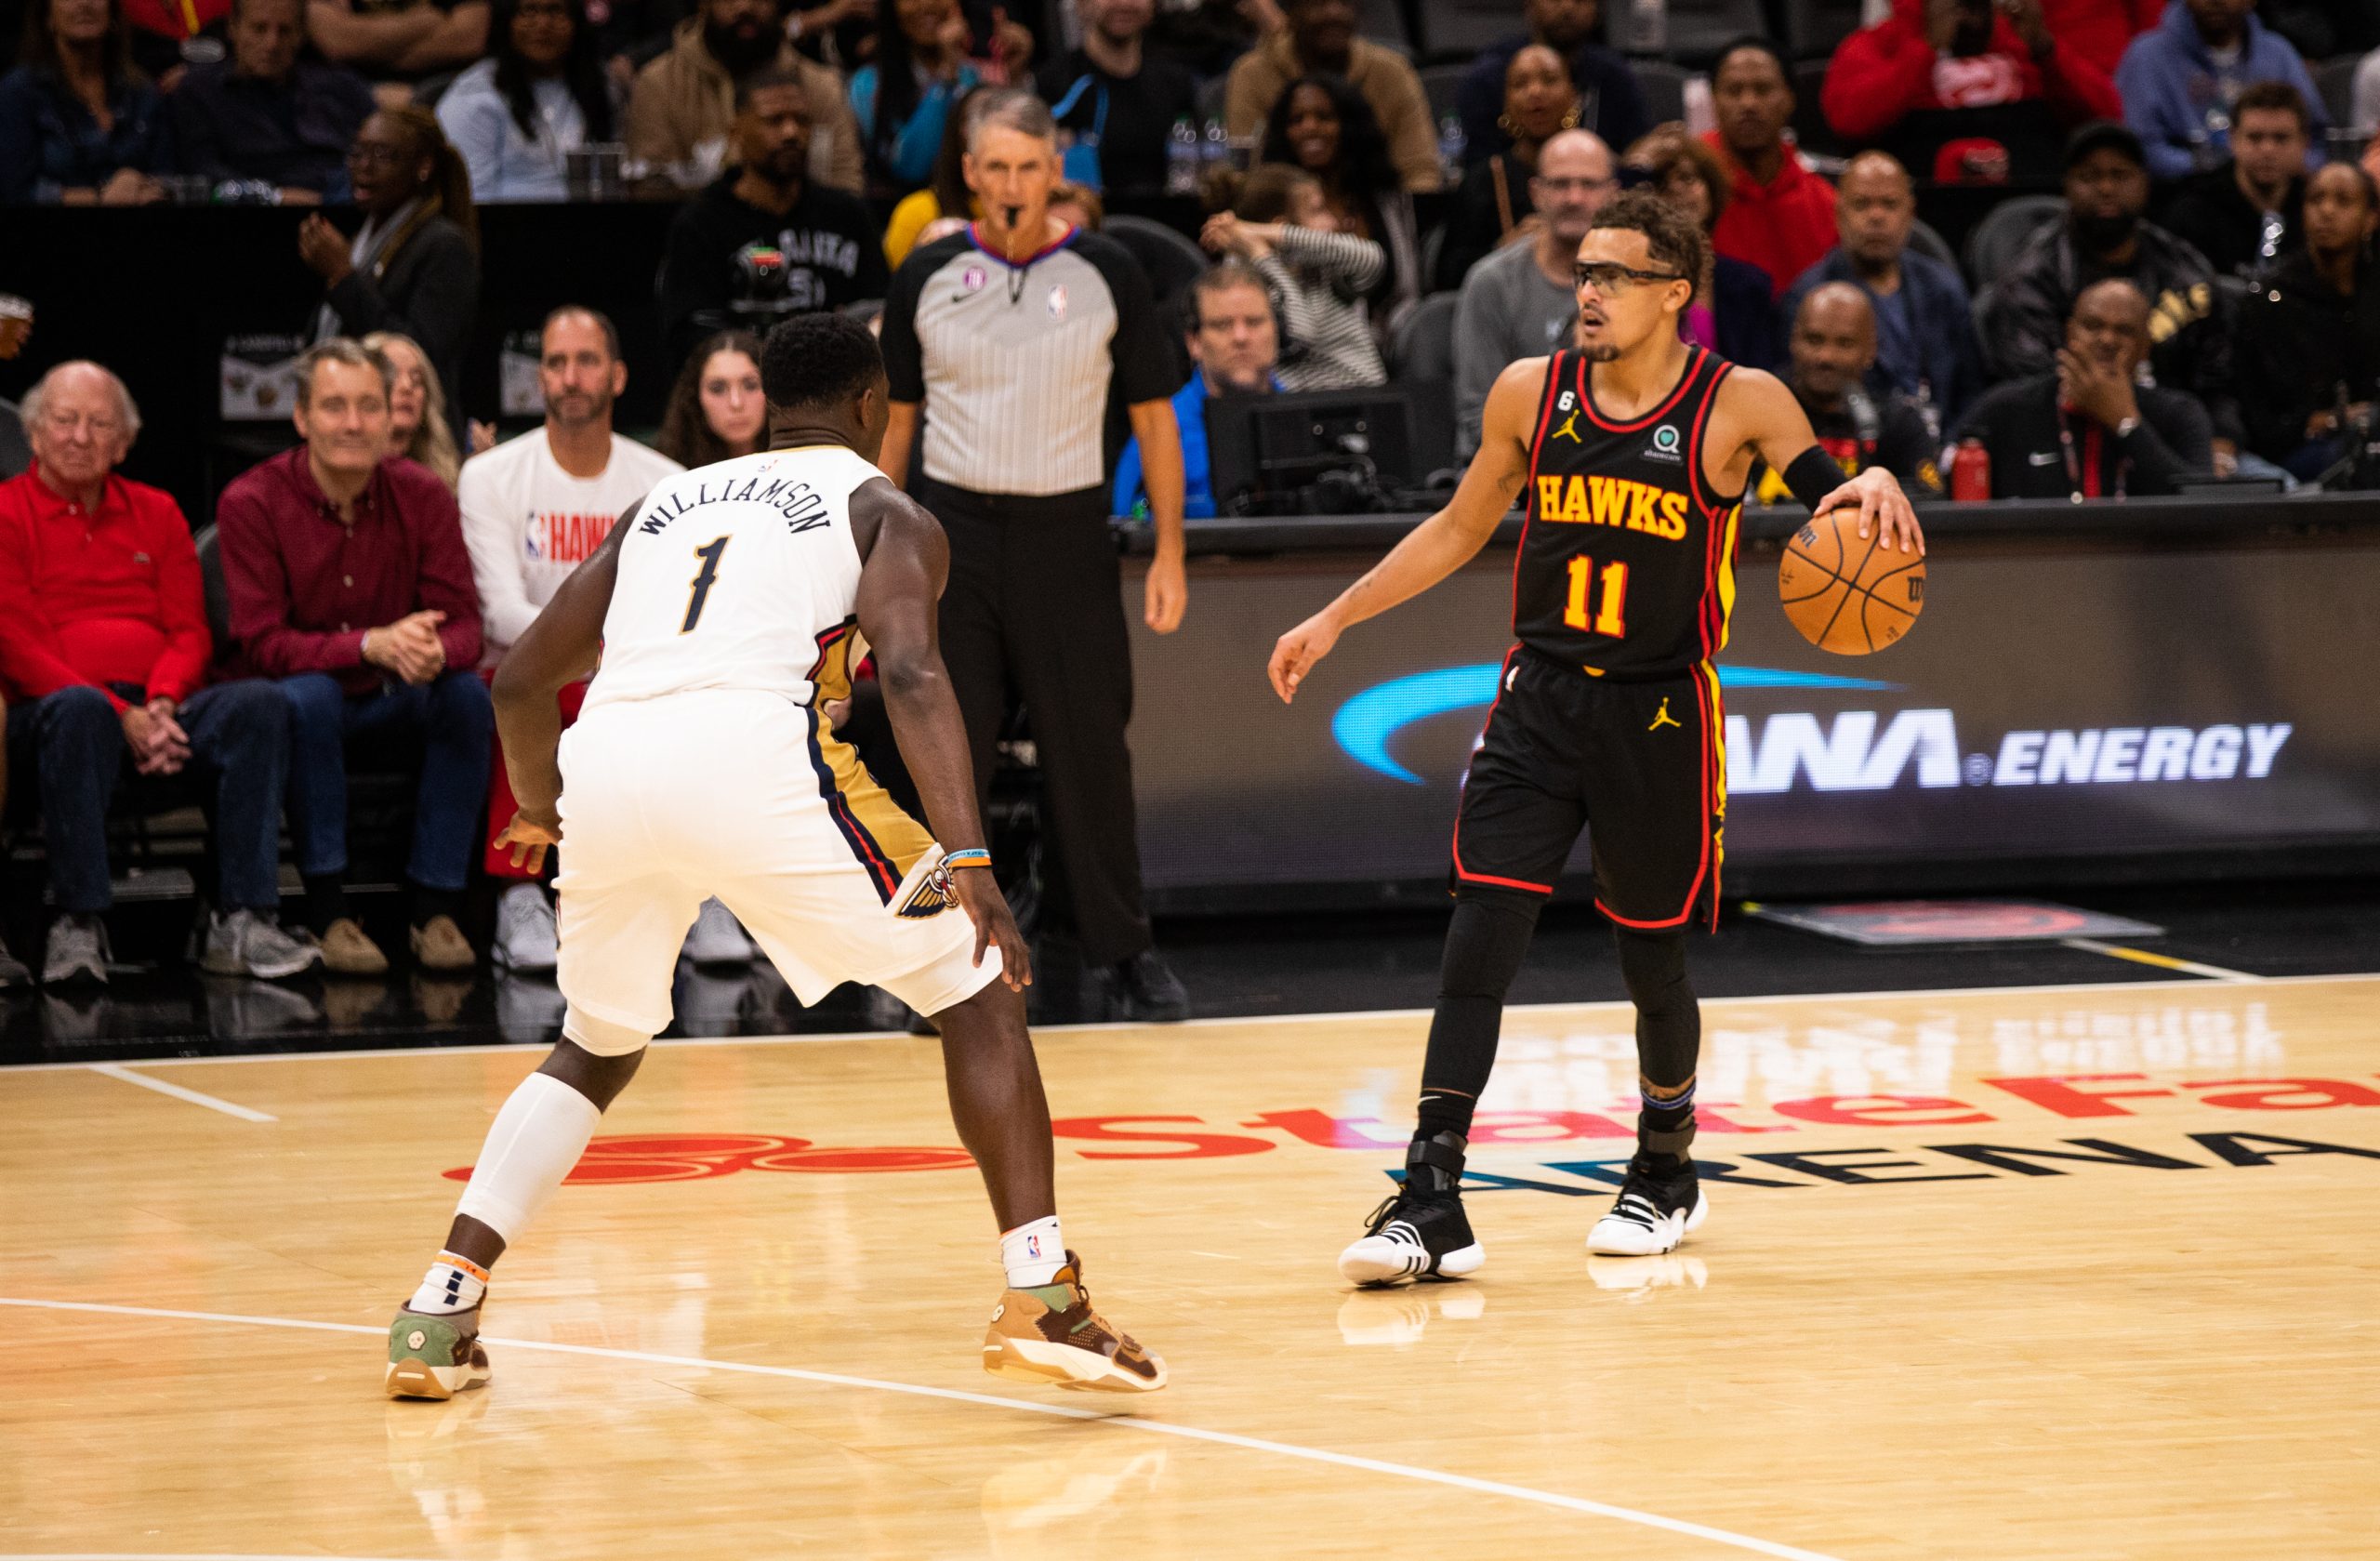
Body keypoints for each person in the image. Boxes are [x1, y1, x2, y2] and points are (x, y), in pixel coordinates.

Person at [382, 309, 1166, 1402]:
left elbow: (518, 680)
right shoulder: (883, 505)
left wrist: (543, 802)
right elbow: (912, 675)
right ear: (870, 408)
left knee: (596, 1041)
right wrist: (972, 861)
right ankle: (1042, 1294)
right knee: (980, 990)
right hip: (754, 751)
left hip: (607, 756)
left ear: (769, 407)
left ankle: (439, 1306)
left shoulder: (658, 499)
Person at [1264, 189, 1923, 1281]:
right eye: (1583, 271)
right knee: (1480, 933)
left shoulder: (1739, 402)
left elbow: (1835, 502)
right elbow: (1459, 526)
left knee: (1648, 952)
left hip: (1661, 712)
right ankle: (1429, 1195)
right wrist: (1335, 617)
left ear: (1676, 293)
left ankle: (1665, 1166)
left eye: (1615, 275)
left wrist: (1876, 477)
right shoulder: (1534, 391)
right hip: (1538, 698)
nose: (1590, 291)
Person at [878, 89, 1191, 1023]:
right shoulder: (927, 273)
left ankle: (1122, 952)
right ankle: (929, 958)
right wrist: (871, 556)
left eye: (1030, 167)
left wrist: (1169, 548)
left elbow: (1155, 423)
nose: (1014, 184)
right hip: (950, 540)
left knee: (1090, 752)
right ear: (970, 172)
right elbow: (895, 430)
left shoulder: (1108, 270)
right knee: (941, 753)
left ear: (1056, 172)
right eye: (997, 167)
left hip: (1068, 534)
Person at [0, 362, 318, 986]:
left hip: (157, 709)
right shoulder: (6, 513)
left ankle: (241, 918)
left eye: (100, 424)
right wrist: (125, 717)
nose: (81, 437)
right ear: (34, 434)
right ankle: (78, 922)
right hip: (55, 717)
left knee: (258, 703)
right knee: (80, 712)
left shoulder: (157, 511)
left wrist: (165, 705)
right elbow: (15, 643)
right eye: (65, 421)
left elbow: (189, 630)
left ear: (125, 440)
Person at [457, 309, 726, 974]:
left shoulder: (665, 480)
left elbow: (681, 607)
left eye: (585, 361)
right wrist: (599, 655)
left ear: (618, 375)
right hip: (533, 673)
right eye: (555, 362)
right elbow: (499, 613)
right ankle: (520, 895)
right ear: (538, 377)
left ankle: (700, 887)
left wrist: (617, 661)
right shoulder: (490, 476)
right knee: (519, 693)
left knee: (708, 698)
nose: (570, 377)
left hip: (633, 672)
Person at [216, 339, 493, 976]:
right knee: (309, 695)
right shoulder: (251, 501)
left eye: (369, 406)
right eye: (335, 406)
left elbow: (466, 626)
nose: (353, 423)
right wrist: (370, 644)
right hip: (307, 703)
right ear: (302, 416)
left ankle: (436, 908)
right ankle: (329, 911)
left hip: (399, 694)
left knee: (467, 694)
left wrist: (432, 648)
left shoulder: (422, 494)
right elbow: (261, 643)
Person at [1982, 121, 2240, 467]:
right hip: (2064, 442)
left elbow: (2218, 377)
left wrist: (2223, 443)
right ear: (2067, 185)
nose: (2105, 187)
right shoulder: (2032, 277)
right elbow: (2034, 389)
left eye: (2120, 175)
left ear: (2144, 183)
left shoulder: (2185, 271)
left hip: (2179, 438)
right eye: (2090, 176)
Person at [656, 67, 891, 371]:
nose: (791, 133)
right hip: (743, 390)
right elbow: (691, 335)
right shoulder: (702, 223)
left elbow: (881, 314)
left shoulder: (847, 215)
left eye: (802, 121)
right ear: (736, 132)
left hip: (835, 387)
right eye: (774, 121)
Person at [299, 105, 480, 429]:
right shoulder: (362, 240)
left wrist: (343, 278)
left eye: (382, 155)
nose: (363, 168)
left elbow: (419, 354)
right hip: (354, 420)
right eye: (357, 153)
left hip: (416, 431)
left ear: (423, 166)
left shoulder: (444, 245)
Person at [1950, 277, 2212, 498]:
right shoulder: (2005, 409)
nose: (2107, 340)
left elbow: (2202, 509)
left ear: (2145, 348)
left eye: (2124, 331)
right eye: (2093, 326)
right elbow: (1942, 490)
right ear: (2070, 334)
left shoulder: (2180, 414)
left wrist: (2126, 423)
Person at [1780, 151, 1981, 431]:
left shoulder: (1943, 287)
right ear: (1839, 214)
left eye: (1889, 204)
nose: (1876, 217)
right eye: (1862, 204)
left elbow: (1971, 390)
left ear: (1910, 213)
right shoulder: (1811, 299)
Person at [1820, 0, 2120, 181]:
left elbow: (2108, 120)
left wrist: (2046, 50)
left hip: (2032, 209)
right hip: (1920, 215)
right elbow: (1849, 122)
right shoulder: (1881, 45)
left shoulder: (2026, 41)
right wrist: (1925, 49)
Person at [1453, 127, 1613, 457]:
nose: (1574, 198)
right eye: (1560, 184)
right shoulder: (1491, 283)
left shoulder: (1642, 283)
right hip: (1514, 481)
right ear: (1536, 193)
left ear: (1613, 194)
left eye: (1589, 184)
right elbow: (1479, 416)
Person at [2235, 162, 2380, 481]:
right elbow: (2260, 419)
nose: (2326, 212)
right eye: (2315, 200)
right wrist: (2334, 420)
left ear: (2371, 218)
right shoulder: (2271, 298)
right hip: (2297, 453)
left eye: (2343, 201)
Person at [626, 0, 864, 193]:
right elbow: (651, 193)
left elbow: (846, 190)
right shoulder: (658, 84)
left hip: (801, 243)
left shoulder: (820, 86)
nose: (745, 7)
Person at [1113, 260, 1279, 521]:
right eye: (1222, 325)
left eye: (1255, 322)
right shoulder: (1162, 428)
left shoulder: (1309, 420)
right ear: (1194, 342)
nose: (1241, 337)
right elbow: (1129, 523)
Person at [1258, 73, 1419, 335]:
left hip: (1385, 347)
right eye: (1296, 120)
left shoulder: (1388, 200)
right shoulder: (1269, 204)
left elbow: (1408, 292)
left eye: (1324, 117)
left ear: (1349, 125)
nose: (1310, 128)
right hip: (1301, 350)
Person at [1202, 164, 1384, 390]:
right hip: (1304, 406)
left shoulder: (1321, 266)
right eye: (1318, 211)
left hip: (1366, 395)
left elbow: (1371, 258)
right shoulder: (1247, 285)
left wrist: (1257, 232)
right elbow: (1300, 336)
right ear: (1283, 224)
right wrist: (1264, 255)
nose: (1332, 222)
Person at [1223, 0, 1437, 193]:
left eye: (1345, 2)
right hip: (1281, 220)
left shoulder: (1392, 72)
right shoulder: (1252, 74)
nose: (1334, 12)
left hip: (1372, 217)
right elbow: (1246, 174)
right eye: (1320, 3)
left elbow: (1420, 171)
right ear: (1293, 11)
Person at [172, 0, 374, 203]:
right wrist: (272, 196)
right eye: (259, 29)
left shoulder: (340, 85)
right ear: (233, 27)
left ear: (300, 34)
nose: (272, 44)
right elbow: (203, 171)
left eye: (285, 31)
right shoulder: (199, 93)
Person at [1755, 284, 1937, 500]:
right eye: (1814, 340)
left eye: (1844, 344)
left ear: (1871, 349)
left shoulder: (1898, 422)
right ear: (1794, 340)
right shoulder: (1757, 410)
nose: (1826, 357)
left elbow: (1930, 505)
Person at [1624, 124, 1777, 371]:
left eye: (1687, 177)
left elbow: (1761, 377)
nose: (1675, 189)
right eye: (1661, 181)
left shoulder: (1748, 287)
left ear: (1711, 191)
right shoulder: (1620, 280)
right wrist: (1638, 167)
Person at [2118, 0, 2324, 181]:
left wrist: (2283, 163)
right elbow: (2141, 150)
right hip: (2181, 195)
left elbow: (2316, 140)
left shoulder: (2279, 54)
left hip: (2274, 196)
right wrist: (2216, 169)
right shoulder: (2147, 57)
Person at [1434, 44, 1581, 293]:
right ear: (1506, 102)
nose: (1535, 92)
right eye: (1520, 84)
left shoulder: (1599, 174)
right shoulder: (1483, 181)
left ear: (1573, 95)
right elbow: (1446, 277)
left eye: (1549, 80)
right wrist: (1501, 251)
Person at [434, 0, 613, 202]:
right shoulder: (474, 97)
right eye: (529, 11)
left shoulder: (600, 85)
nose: (543, 24)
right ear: (506, 20)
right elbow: (471, 201)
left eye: (555, 11)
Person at [0, 0, 176, 205]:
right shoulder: (19, 92)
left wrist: (137, 183)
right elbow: (16, 192)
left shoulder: (141, 91)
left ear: (112, 13)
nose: (84, 4)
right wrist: (101, 197)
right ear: (47, 17)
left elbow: (169, 177)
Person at [1703, 38, 1836, 300]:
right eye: (1734, 90)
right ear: (1714, 99)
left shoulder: (1825, 205)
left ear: (1790, 99)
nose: (1748, 104)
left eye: (1763, 90)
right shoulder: (1686, 191)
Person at [1454, 0, 1646, 174]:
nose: (1567, 6)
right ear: (1528, 5)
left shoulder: (1616, 76)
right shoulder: (1489, 76)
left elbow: (1636, 156)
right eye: (1521, 83)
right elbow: (1477, 167)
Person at [1033, 0, 1197, 196]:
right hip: (1083, 221)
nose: (1124, 3)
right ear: (1082, 5)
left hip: (1168, 219)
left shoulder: (1177, 83)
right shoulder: (1053, 84)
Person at [2159, 80, 2309, 280]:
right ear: (2233, 139)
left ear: (2303, 142)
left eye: (2281, 138)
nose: (2267, 150)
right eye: (2255, 138)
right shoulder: (2194, 214)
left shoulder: (2316, 209)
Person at [850, 0, 985, 194]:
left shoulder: (976, 76)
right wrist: (946, 75)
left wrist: (1016, 76)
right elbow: (910, 168)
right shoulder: (868, 85)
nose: (927, 4)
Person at [883, 83, 985, 269]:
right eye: (978, 120)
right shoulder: (916, 213)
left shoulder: (1043, 217)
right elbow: (897, 294)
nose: (990, 132)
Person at [303, 0, 490, 88]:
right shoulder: (427, 18)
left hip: (444, 91)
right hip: (350, 92)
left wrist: (370, 46)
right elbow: (339, 41)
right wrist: (426, 21)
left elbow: (466, 40)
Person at [364, 329, 463, 489]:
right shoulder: (344, 476)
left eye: (417, 379)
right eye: (392, 375)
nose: (407, 386)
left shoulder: (444, 482)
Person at [655, 328, 766, 467]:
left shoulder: (798, 466)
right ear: (694, 397)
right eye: (717, 389)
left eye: (751, 386)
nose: (736, 403)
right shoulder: (668, 473)